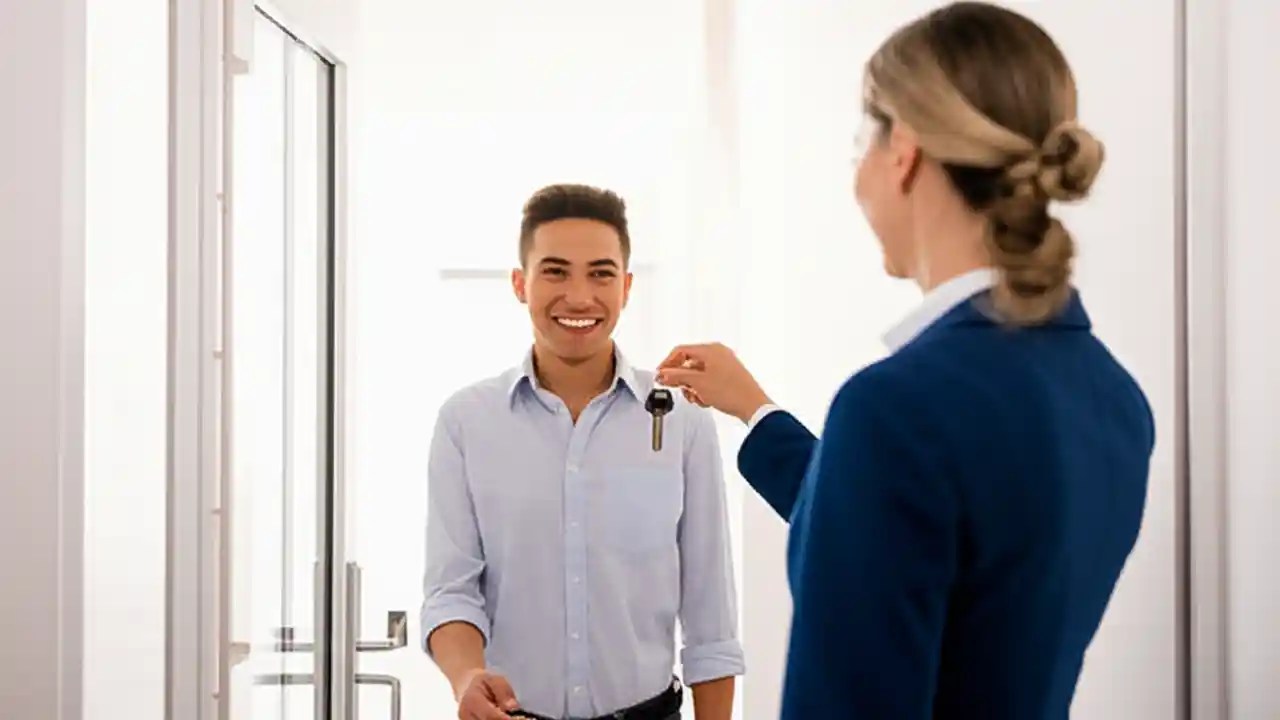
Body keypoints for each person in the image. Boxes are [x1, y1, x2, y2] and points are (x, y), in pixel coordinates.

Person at [655, 3, 1155, 719]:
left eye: (862, 139)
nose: (857, 171)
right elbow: (910, 549)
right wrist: (756, 411)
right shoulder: (1111, 396)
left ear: (904, 150)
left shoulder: (896, 411)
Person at [421, 183, 743, 720]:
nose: (578, 296)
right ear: (520, 284)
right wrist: (466, 678)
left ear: (627, 287)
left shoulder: (682, 420)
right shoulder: (465, 421)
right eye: (554, 271)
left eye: (600, 273)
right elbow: (450, 591)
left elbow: (710, 618)